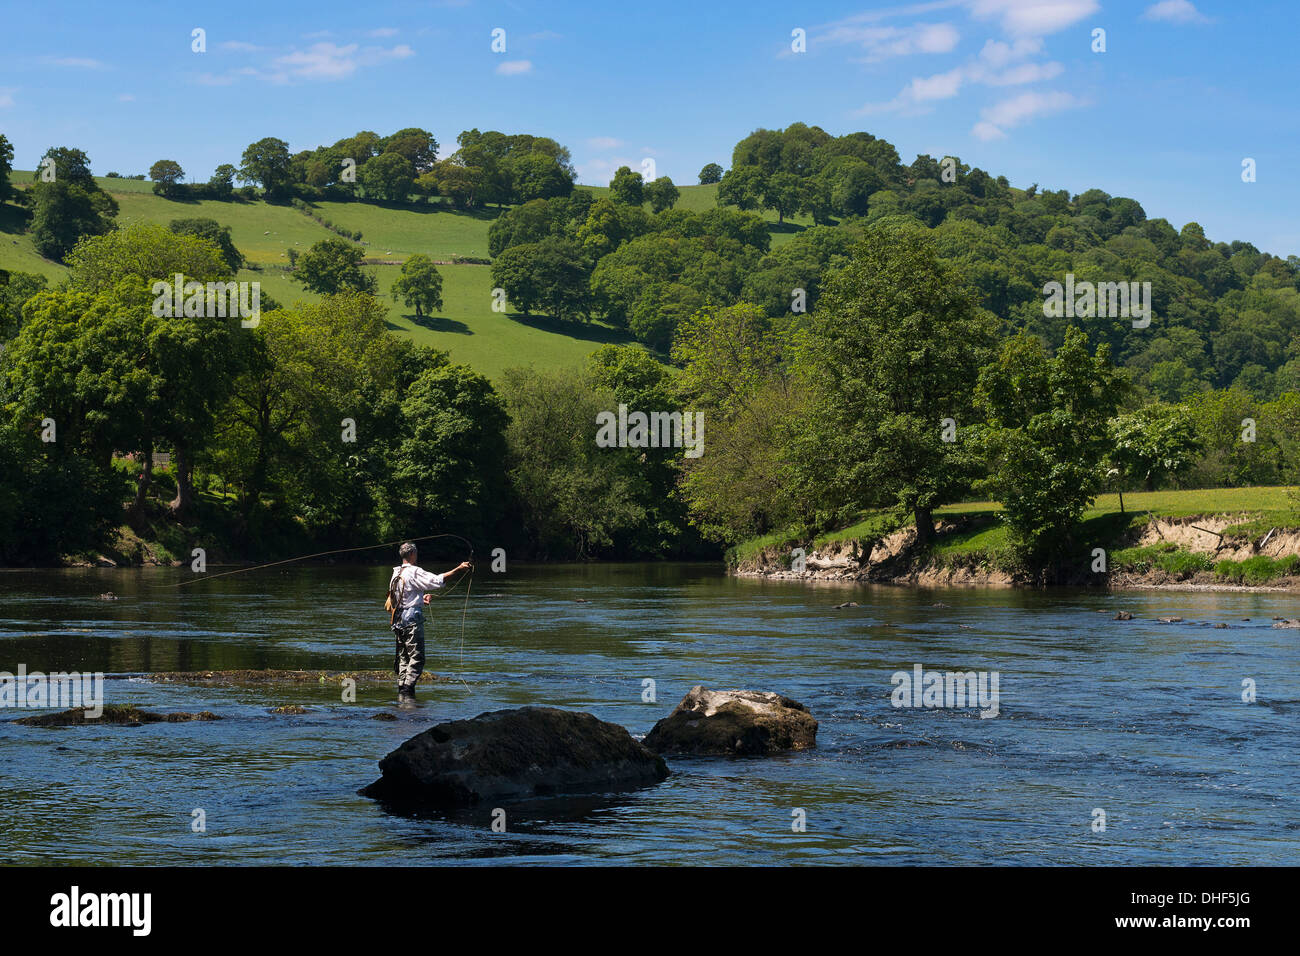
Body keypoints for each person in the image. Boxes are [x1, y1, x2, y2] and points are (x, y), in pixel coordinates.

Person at [388, 542, 471, 701]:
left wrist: (420, 598)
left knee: (404, 656)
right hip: (411, 618)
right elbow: (438, 581)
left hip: (398, 618)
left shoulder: (396, 572)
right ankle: (408, 691)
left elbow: (402, 595)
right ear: (412, 554)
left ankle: (402, 691)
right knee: (417, 657)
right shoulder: (414, 571)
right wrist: (459, 569)